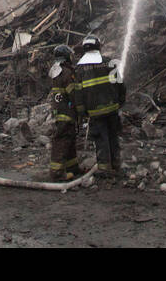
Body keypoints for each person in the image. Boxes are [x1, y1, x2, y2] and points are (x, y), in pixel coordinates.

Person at [73, 35, 126, 177]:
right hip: (112, 108)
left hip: (95, 112)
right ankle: (116, 165)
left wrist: (81, 111)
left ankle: (104, 168)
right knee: (113, 136)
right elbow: (120, 84)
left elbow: (78, 92)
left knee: (101, 138)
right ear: (98, 46)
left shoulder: (80, 69)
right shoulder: (109, 62)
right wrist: (120, 101)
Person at [47, 44, 80, 181]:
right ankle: (57, 173)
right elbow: (73, 93)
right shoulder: (66, 72)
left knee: (69, 140)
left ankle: (73, 168)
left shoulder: (56, 71)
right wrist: (81, 106)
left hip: (60, 111)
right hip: (66, 112)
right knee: (62, 141)